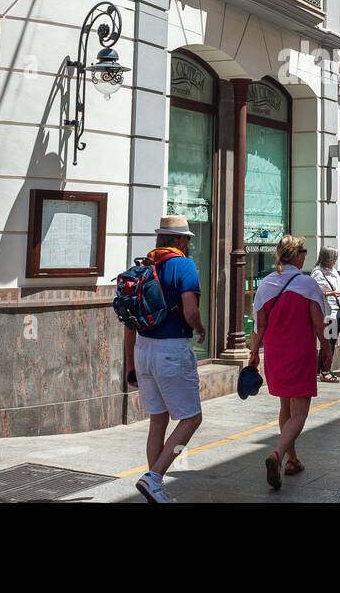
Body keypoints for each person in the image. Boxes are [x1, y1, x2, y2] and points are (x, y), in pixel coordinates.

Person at [126, 215, 207, 504]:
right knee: (191, 418)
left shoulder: (143, 267)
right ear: (180, 240)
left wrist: (130, 364)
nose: (189, 244)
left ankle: (153, 486)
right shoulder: (183, 265)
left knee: (157, 420)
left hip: (143, 348)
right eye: (187, 239)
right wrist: (200, 329)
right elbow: (190, 310)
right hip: (172, 350)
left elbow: (130, 323)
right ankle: (154, 477)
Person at [249, 235, 332, 490]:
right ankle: (278, 454)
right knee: (299, 412)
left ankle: (292, 460)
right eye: (304, 251)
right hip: (300, 352)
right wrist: (326, 348)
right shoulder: (307, 285)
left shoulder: (265, 284)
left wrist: (253, 353)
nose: (305, 255)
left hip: (275, 353)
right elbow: (319, 324)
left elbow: (259, 325)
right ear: (296, 256)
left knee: (285, 404)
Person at [311, 247, 340, 382]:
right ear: (327, 258)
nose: (336, 260)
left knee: (331, 341)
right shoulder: (318, 273)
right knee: (328, 342)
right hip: (327, 312)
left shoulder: (333, 271)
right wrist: (329, 293)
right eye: (334, 257)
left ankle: (322, 369)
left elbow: (337, 286)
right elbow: (314, 290)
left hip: (336, 311)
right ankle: (324, 370)